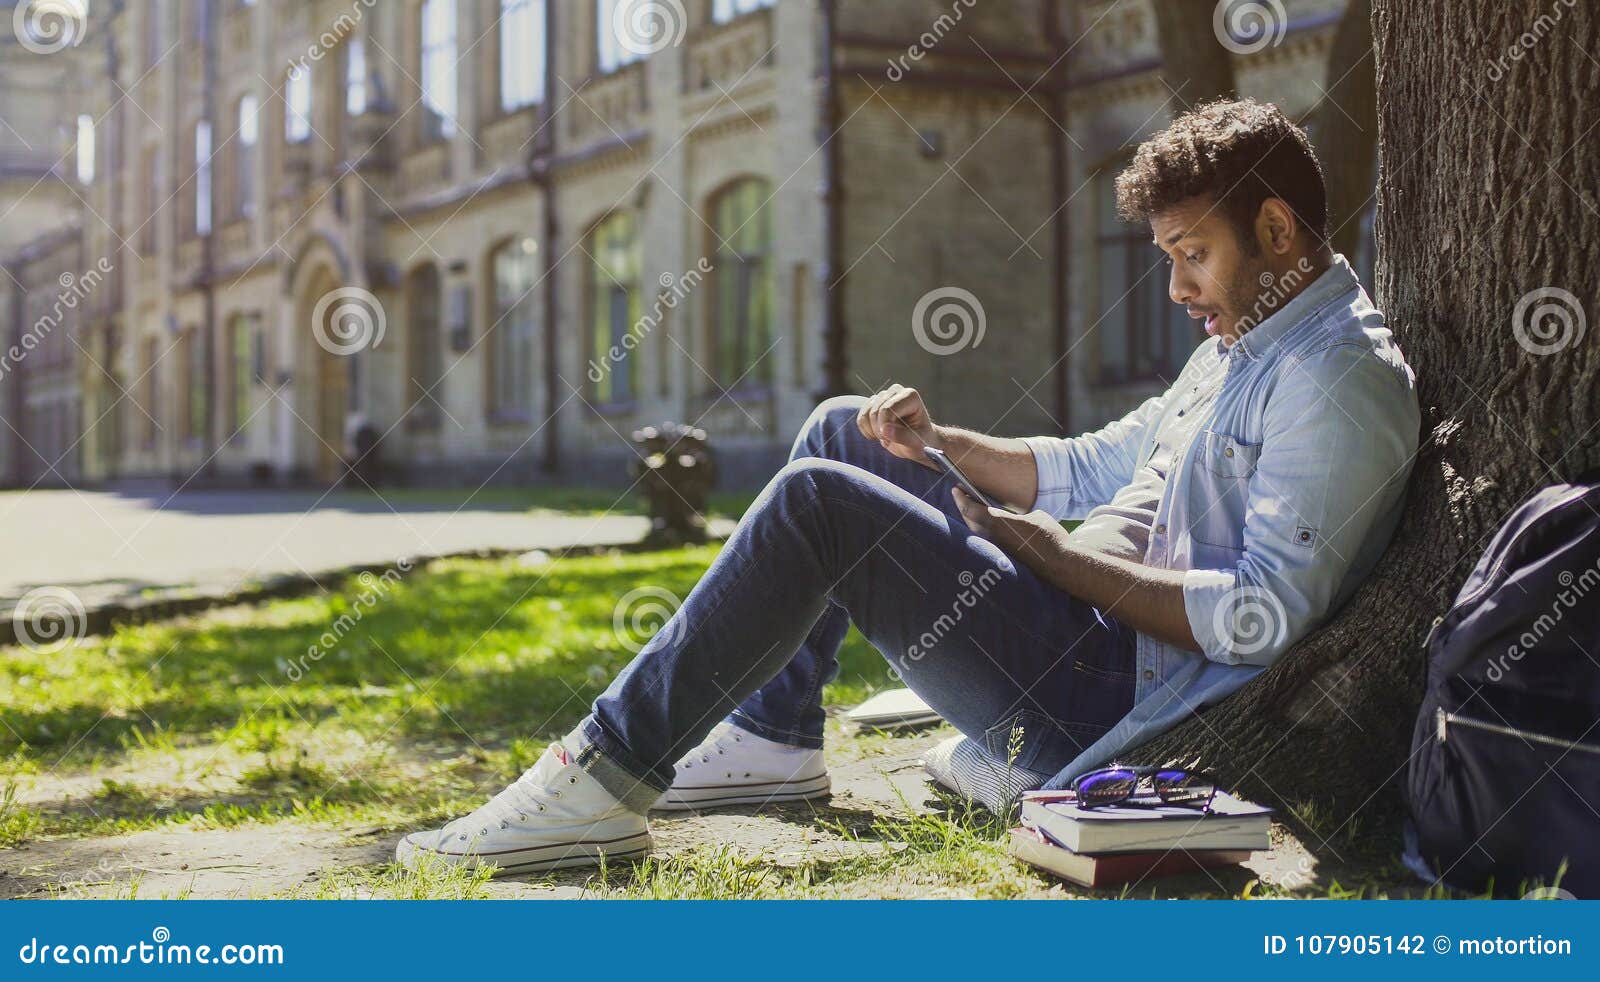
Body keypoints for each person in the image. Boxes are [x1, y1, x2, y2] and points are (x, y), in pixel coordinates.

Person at [396, 98, 1420, 875]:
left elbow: (1260, 620)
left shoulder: (1335, 379)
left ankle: (601, 776)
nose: (1178, 288)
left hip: (1107, 693)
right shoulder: (1244, 341)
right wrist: (942, 445)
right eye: (1169, 257)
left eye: (1193, 256)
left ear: (1276, 231)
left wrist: (1056, 559)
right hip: (1073, 616)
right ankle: (775, 740)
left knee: (818, 503)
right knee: (844, 430)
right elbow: (1096, 463)